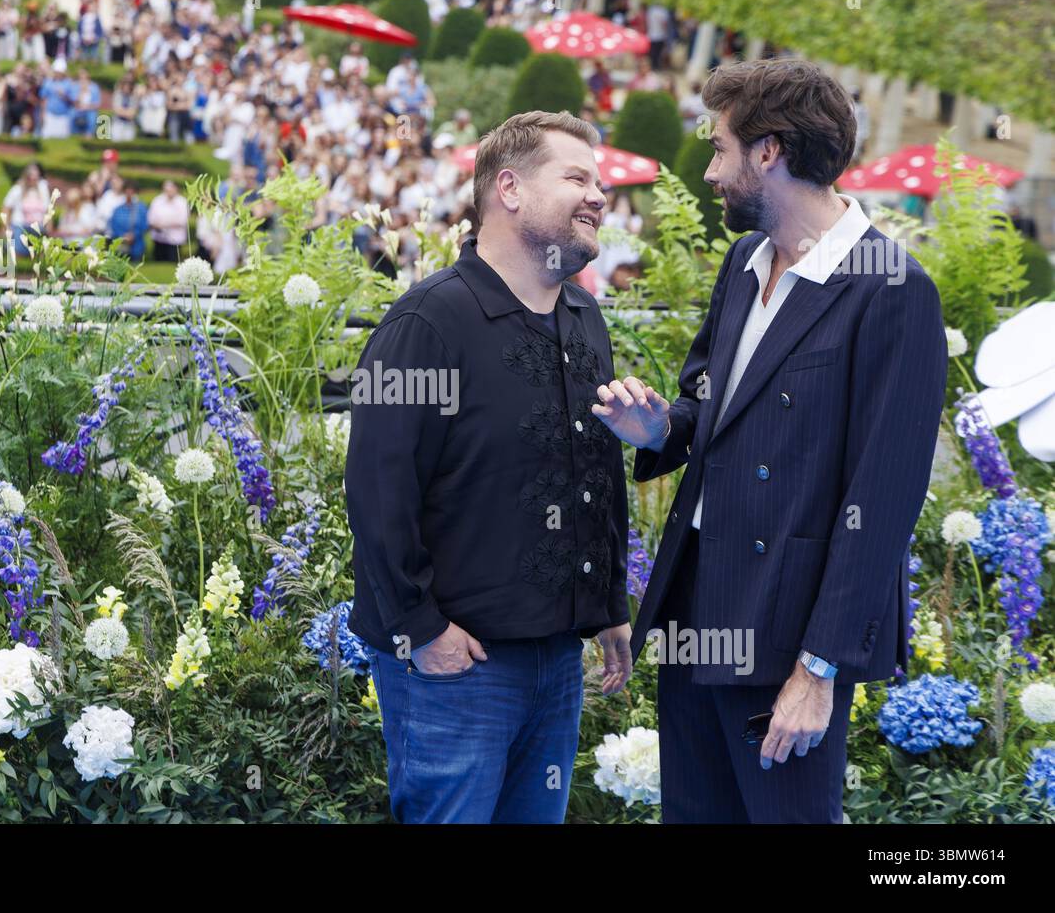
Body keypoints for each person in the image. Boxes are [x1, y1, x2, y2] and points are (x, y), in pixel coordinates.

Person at [593, 59, 947, 823]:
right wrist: (654, 427)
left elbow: (882, 499)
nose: (711, 171)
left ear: (769, 150)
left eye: (720, 149)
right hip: (696, 606)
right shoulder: (741, 261)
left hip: (787, 631)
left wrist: (818, 667)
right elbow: (704, 407)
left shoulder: (893, 285)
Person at [345, 111, 633, 824]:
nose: (599, 196)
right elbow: (377, 490)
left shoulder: (583, 319)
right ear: (508, 188)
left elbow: (594, 466)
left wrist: (607, 609)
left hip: (557, 662)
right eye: (577, 178)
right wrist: (423, 631)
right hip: (457, 668)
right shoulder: (428, 321)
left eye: (599, 182)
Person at [2, 163, 52, 255]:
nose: (32, 180)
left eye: (35, 178)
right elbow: (6, 208)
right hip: (20, 226)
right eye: (30, 177)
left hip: (38, 228)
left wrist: (49, 228)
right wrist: (6, 227)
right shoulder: (17, 189)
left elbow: (48, 210)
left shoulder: (43, 190)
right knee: (18, 252)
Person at [147, 179, 188, 262]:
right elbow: (151, 219)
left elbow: (182, 220)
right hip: (159, 239)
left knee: (173, 262)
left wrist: (164, 224)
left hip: (175, 240)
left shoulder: (182, 202)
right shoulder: (157, 200)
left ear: (176, 189)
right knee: (158, 262)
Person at [107, 182, 149, 261]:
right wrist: (122, 236)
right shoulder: (118, 209)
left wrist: (134, 235)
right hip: (121, 245)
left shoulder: (141, 208)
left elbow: (145, 225)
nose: (129, 194)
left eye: (132, 192)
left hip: (137, 245)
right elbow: (113, 224)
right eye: (127, 191)